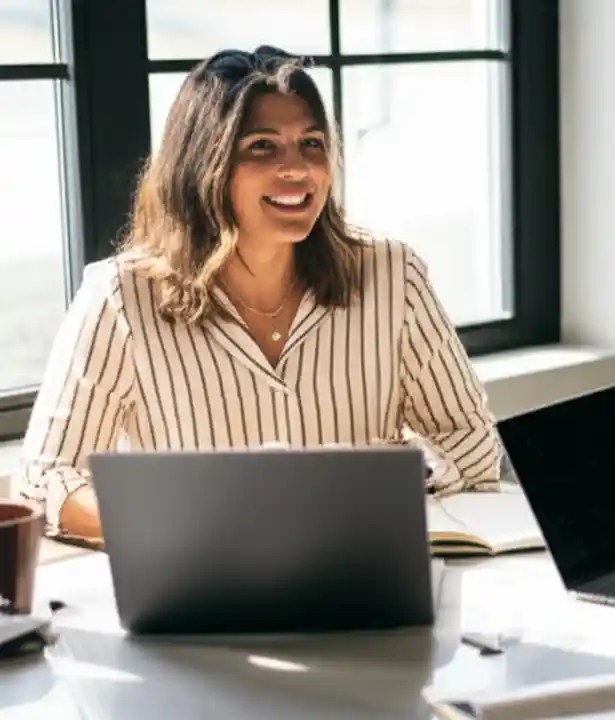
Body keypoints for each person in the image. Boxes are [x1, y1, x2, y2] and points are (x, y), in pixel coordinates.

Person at [17, 47, 502, 541]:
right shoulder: (119, 297)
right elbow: (45, 481)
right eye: (262, 148)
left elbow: (471, 443)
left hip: (365, 568)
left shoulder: (395, 276)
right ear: (203, 164)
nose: (297, 169)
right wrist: (180, 523)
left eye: (312, 144)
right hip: (203, 585)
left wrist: (381, 479)